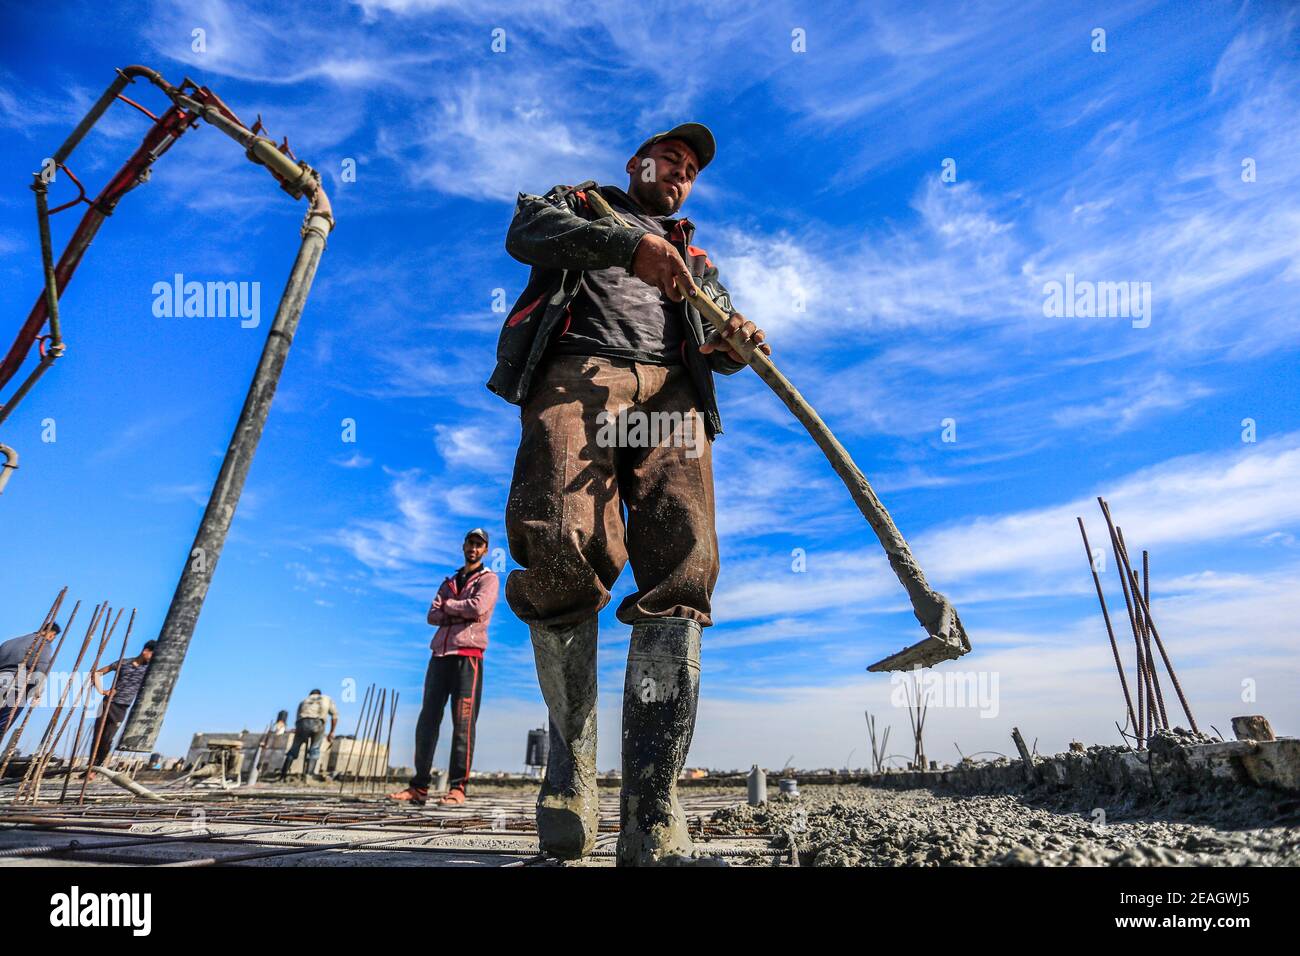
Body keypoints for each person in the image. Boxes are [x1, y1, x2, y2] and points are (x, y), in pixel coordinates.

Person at [489, 123, 770, 865]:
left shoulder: (699, 262)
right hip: (581, 370)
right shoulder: (581, 203)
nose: (677, 173)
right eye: (667, 159)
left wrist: (733, 343)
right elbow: (526, 231)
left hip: (673, 393)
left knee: (685, 558)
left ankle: (652, 801)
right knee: (555, 535)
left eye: (688, 169)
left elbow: (715, 336)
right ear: (634, 164)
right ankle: (572, 773)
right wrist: (625, 247)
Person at [388, 528, 499, 807]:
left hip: (468, 657)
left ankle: (457, 787)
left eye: (479, 544)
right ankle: (419, 787)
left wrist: (449, 608)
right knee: (427, 721)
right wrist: (455, 610)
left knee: (463, 723)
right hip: (439, 655)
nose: (473, 548)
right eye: (470, 543)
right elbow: (432, 615)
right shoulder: (448, 581)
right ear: (463, 546)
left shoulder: (489, 579)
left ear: (485, 550)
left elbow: (478, 608)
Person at [87, 640, 155, 777]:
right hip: (107, 703)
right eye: (153, 654)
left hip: (122, 708)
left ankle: (96, 767)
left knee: (107, 740)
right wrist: (102, 691)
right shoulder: (123, 663)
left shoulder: (148, 670)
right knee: (97, 738)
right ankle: (90, 769)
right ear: (145, 651)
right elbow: (96, 673)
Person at [0, 621, 60, 738]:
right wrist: (37, 692)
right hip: (15, 690)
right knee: (2, 726)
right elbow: (41, 670)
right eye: (53, 637)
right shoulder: (44, 644)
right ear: (51, 634)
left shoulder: (9, 642)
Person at [278, 689, 338, 780]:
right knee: (314, 749)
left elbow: (298, 717)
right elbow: (335, 715)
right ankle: (309, 776)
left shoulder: (304, 700)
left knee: (294, 749)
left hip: (301, 723)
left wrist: (300, 730)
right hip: (317, 723)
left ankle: (283, 775)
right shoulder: (326, 698)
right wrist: (332, 732)